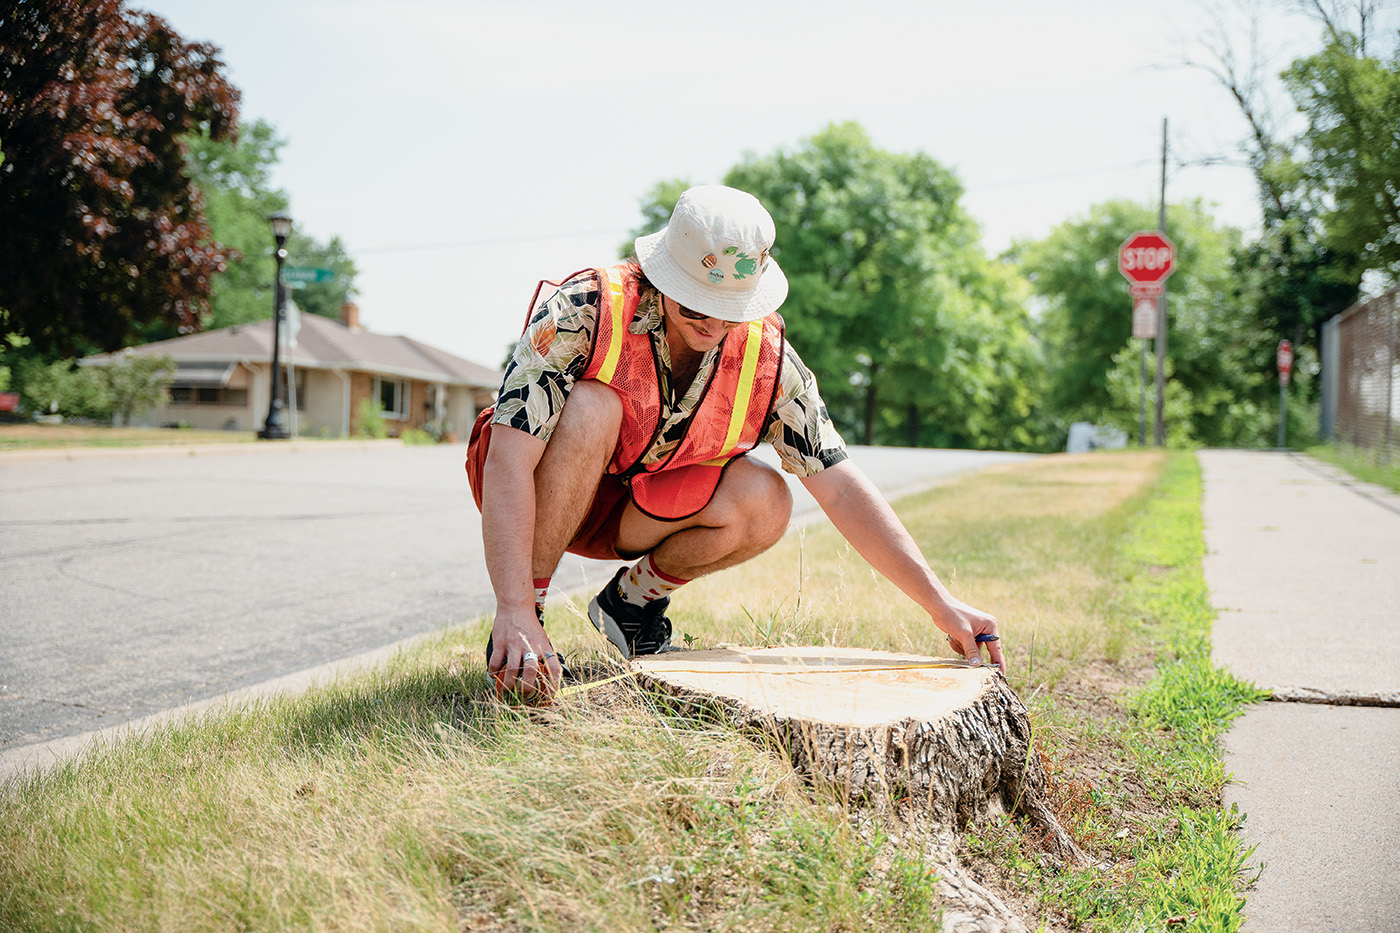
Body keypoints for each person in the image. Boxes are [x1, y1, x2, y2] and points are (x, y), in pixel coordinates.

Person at [466, 185, 1003, 700]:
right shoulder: (584, 308)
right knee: (592, 405)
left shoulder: (766, 355)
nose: (714, 322)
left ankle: (629, 606)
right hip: (540, 494)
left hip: (635, 509)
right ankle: (526, 626)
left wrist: (940, 604)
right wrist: (513, 606)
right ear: (664, 276)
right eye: (697, 304)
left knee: (767, 497)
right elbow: (510, 461)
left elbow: (838, 485)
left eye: (732, 308)